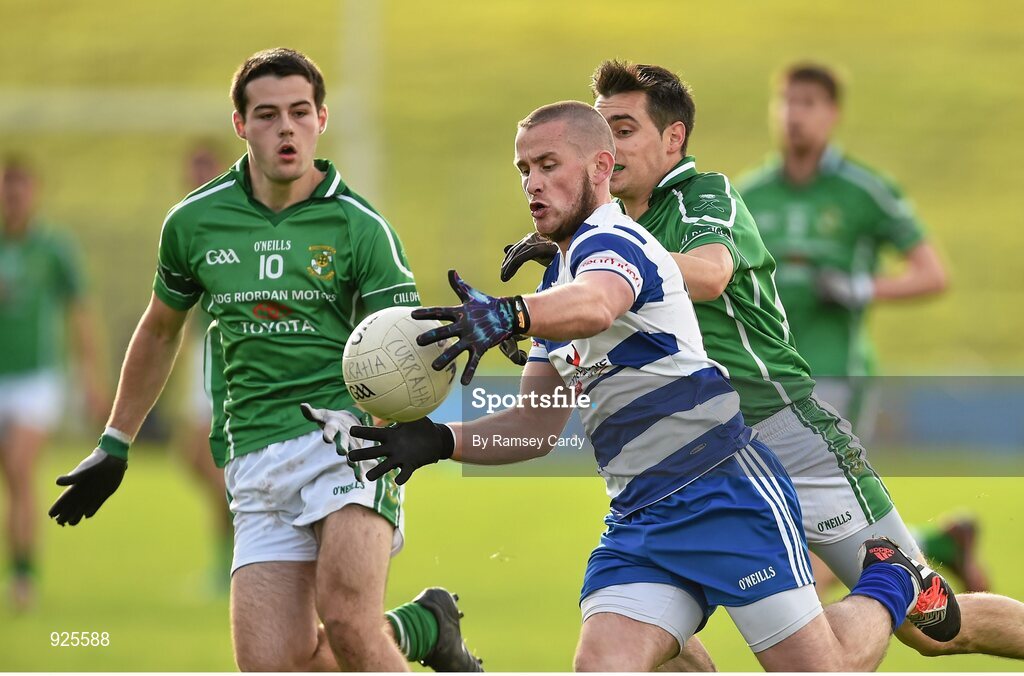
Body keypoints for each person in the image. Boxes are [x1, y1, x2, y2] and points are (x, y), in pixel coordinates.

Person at [307, 100, 959, 671]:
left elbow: (599, 303)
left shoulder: (618, 241)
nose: (532, 183)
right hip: (641, 517)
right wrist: (437, 439)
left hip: (723, 494)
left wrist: (511, 314)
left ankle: (891, 581)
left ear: (598, 167)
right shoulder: (554, 284)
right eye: (523, 170)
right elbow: (534, 427)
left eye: (548, 165)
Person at [499, 61, 1024, 663]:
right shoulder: (595, 234)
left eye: (623, 129)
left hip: (783, 429)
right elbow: (555, 384)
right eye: (599, 131)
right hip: (689, 458)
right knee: (648, 631)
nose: (607, 148)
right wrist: (552, 307)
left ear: (673, 140)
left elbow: (711, 272)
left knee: (930, 627)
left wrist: (600, 275)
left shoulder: (702, 194)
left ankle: (900, 578)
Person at [47, 48, 481, 672]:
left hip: (349, 439)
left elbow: (408, 342)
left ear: (321, 119)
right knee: (276, 666)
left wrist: (404, 425)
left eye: (300, 112)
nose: (286, 128)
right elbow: (161, 329)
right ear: (240, 125)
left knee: (347, 619)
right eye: (269, 114)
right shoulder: (193, 223)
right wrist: (116, 440)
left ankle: (398, 629)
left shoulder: (359, 227)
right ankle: (421, 626)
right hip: (253, 453)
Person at [736, 63, 989, 596]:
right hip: (764, 384)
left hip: (835, 377)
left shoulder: (862, 191)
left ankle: (855, 631)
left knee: (805, 547)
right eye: (785, 102)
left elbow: (932, 273)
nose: (794, 115)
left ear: (832, 114)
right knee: (800, 529)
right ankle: (935, 548)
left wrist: (861, 288)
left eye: (808, 103)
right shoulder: (746, 196)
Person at [0, 158, 107, 611]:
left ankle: (24, 579)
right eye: (8, 190)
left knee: (20, 468)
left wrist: (91, 377)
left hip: (38, 380)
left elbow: (79, 312)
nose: (14, 198)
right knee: (12, 476)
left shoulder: (52, 248)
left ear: (35, 193)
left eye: (21, 189)